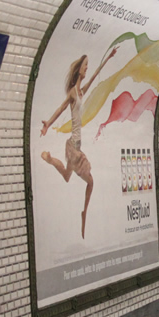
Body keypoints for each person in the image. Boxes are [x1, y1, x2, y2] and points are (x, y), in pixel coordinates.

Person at [39, 47, 117, 238]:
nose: (87, 69)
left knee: (67, 175)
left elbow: (96, 75)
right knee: (90, 182)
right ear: (78, 70)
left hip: (76, 144)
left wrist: (108, 57)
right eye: (84, 66)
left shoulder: (81, 92)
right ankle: (84, 213)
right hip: (73, 145)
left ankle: (50, 159)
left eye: (87, 66)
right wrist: (48, 123)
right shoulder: (74, 93)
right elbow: (61, 108)